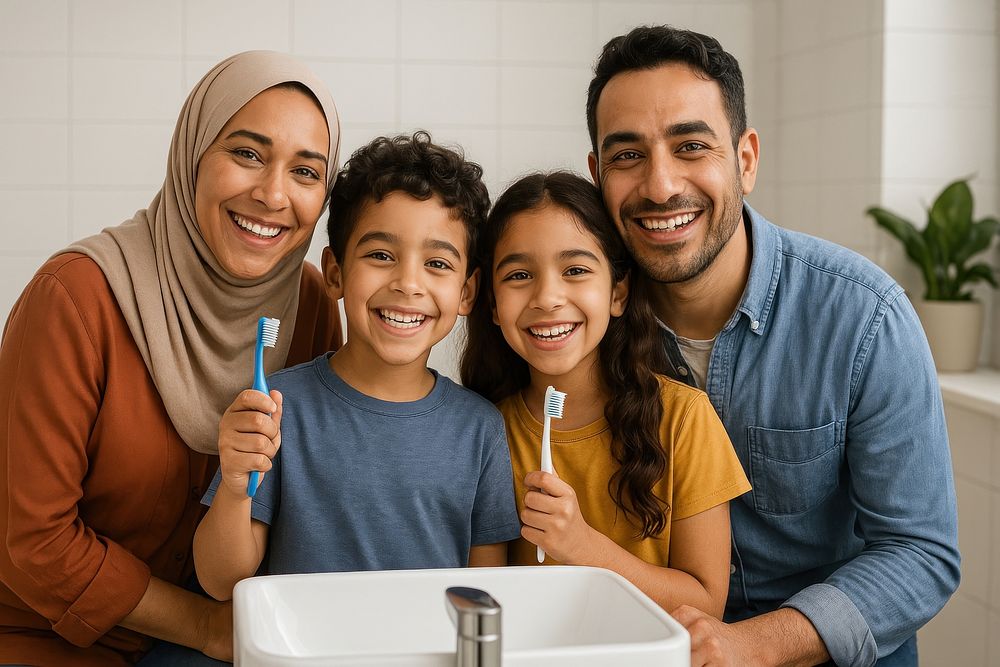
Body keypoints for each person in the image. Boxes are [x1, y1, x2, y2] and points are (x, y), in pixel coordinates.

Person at [584, 25, 960, 667]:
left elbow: (920, 553)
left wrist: (754, 644)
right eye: (627, 156)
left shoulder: (865, 317)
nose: (659, 185)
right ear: (596, 175)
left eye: (691, 145)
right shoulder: (581, 324)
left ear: (746, 159)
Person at [0, 51, 343, 666]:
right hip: (45, 638)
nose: (272, 193)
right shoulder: (76, 297)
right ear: (192, 154)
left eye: (307, 172)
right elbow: (34, 541)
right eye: (246, 153)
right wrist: (206, 628)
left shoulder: (312, 305)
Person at [193, 131, 521, 600]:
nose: (409, 283)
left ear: (467, 292)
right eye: (381, 256)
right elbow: (221, 581)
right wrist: (233, 484)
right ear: (334, 273)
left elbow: (485, 596)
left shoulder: (480, 429)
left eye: (437, 263)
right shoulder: (279, 408)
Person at [461, 171, 751, 617]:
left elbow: (706, 603)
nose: (548, 297)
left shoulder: (683, 420)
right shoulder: (483, 432)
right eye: (519, 275)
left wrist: (582, 545)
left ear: (618, 292)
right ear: (494, 306)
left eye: (575, 270)